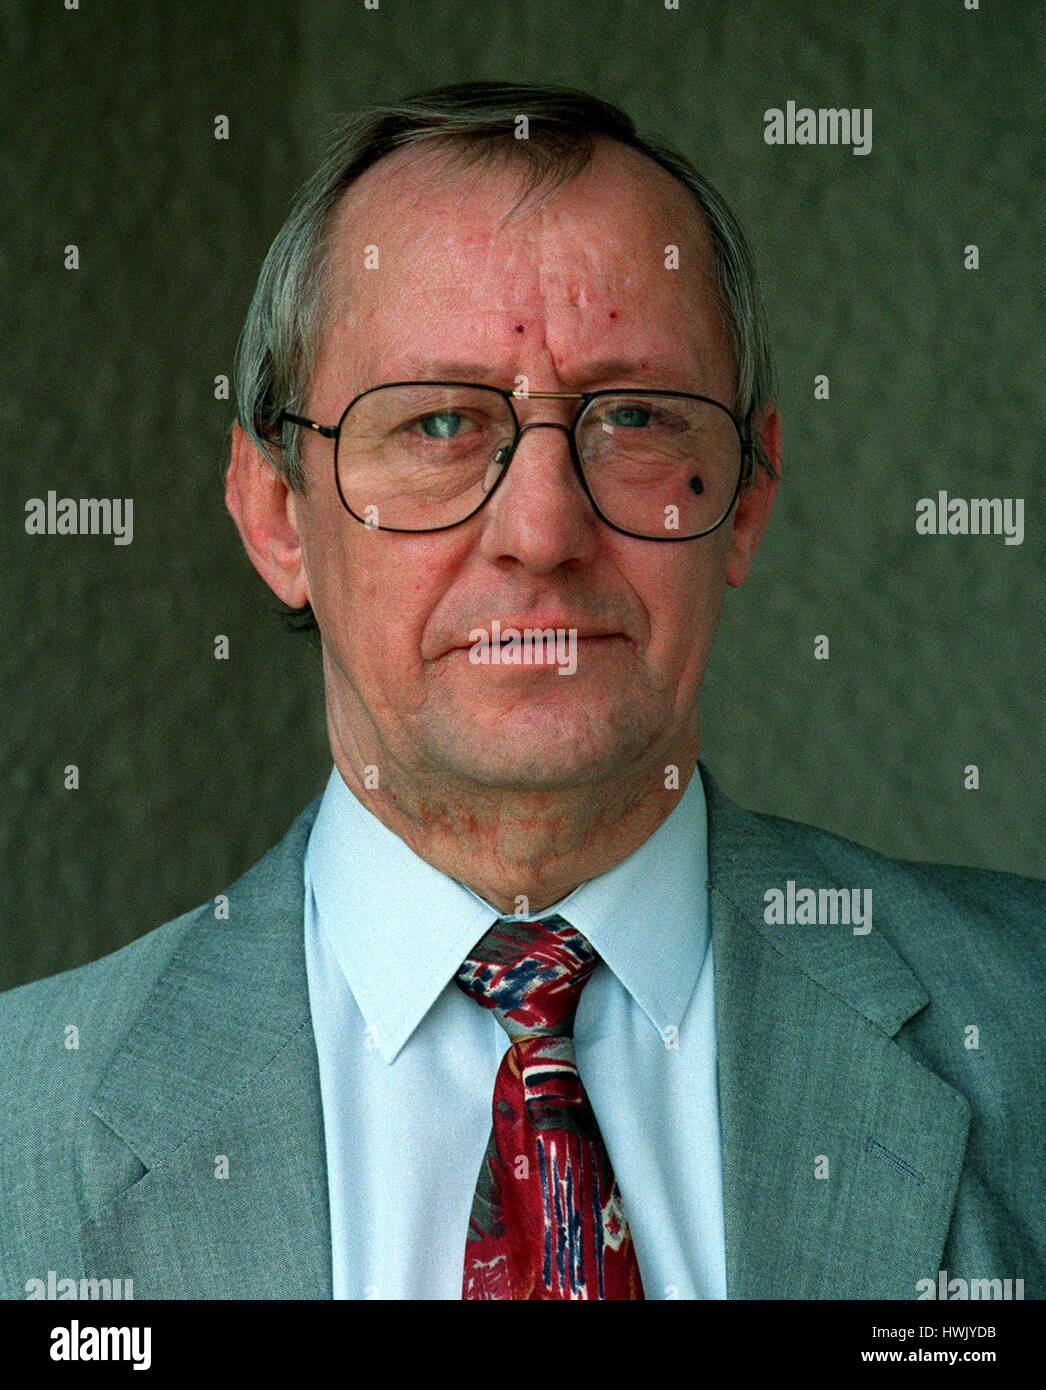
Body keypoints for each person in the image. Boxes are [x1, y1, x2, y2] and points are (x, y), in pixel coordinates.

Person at [1, 81, 1042, 1302]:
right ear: (276, 511)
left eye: (634, 417)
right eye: (438, 421)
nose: (541, 528)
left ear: (744, 499)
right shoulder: (26, 1117)